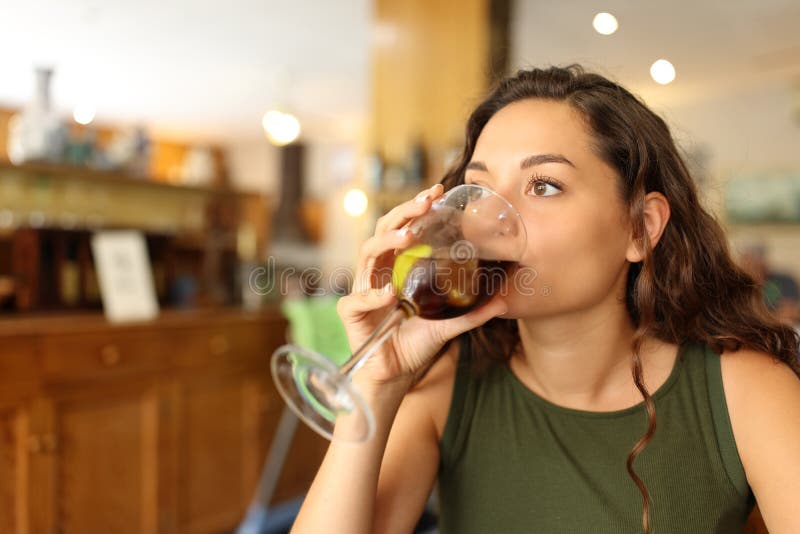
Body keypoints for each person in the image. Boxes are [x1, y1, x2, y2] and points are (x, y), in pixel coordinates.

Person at [291, 66, 800, 533]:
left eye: (545, 186)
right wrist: (377, 383)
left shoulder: (744, 392)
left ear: (641, 229)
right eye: (477, 189)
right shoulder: (453, 386)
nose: (491, 218)